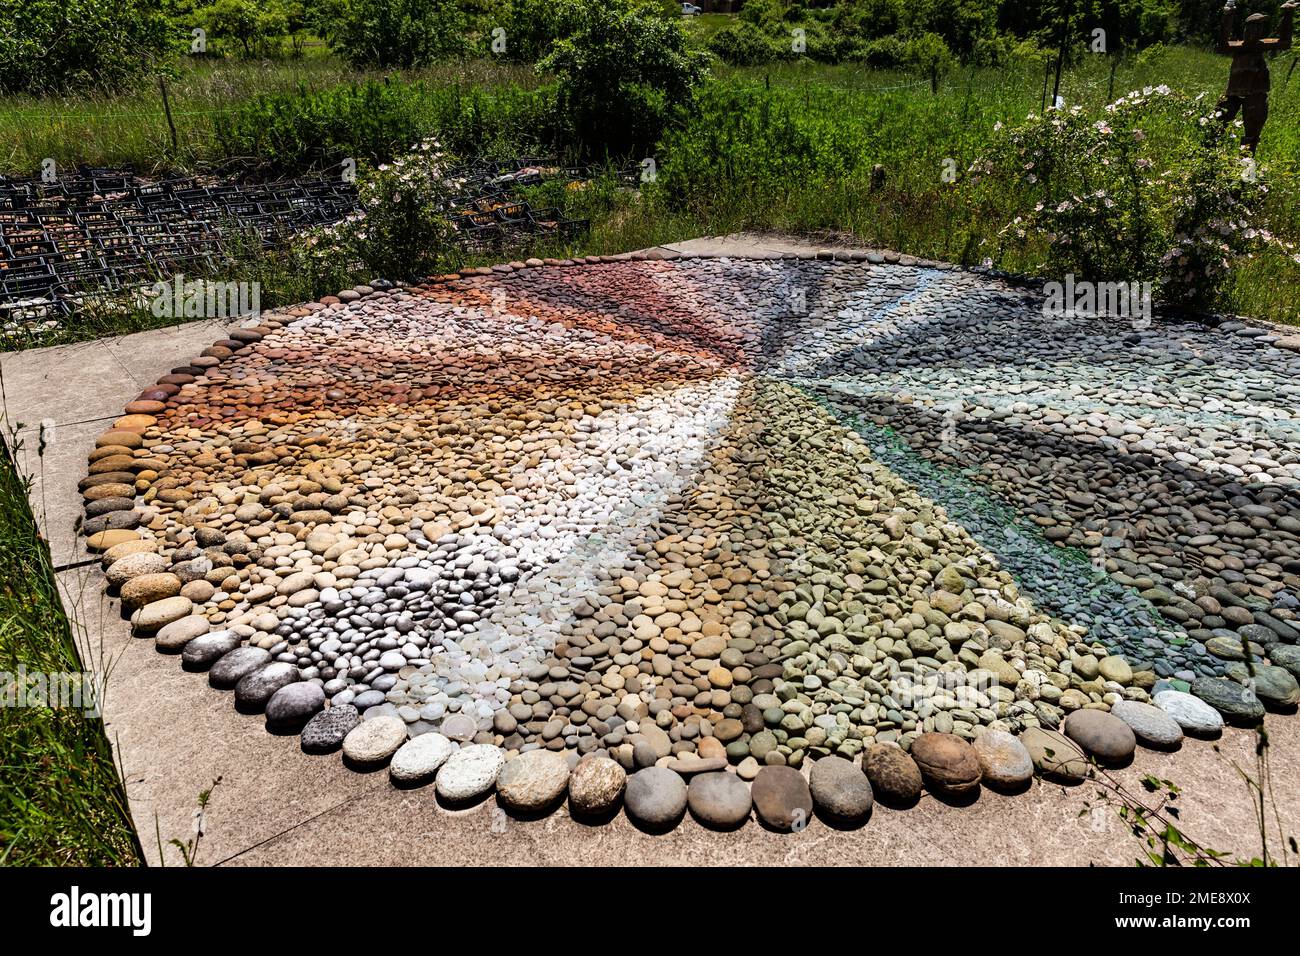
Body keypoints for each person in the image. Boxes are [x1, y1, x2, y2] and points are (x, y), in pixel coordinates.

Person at [1215, 1, 1296, 151]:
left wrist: (1288, 14)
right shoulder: (1239, 46)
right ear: (1247, 28)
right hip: (1233, 92)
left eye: (1260, 27)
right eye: (1254, 26)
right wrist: (1228, 16)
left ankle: (1245, 164)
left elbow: (1285, 42)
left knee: (1252, 130)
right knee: (1217, 123)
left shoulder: (1261, 45)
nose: (1257, 30)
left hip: (1256, 92)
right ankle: (1209, 154)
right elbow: (1221, 45)